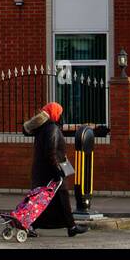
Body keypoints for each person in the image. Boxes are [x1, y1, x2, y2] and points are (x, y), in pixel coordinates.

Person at [21, 101, 88, 237]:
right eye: (60, 113)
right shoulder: (52, 129)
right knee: (54, 200)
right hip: (51, 171)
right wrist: (57, 171)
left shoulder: (42, 128)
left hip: (42, 172)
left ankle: (70, 226)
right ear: (55, 114)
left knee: (47, 201)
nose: (61, 116)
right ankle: (70, 227)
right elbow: (51, 152)